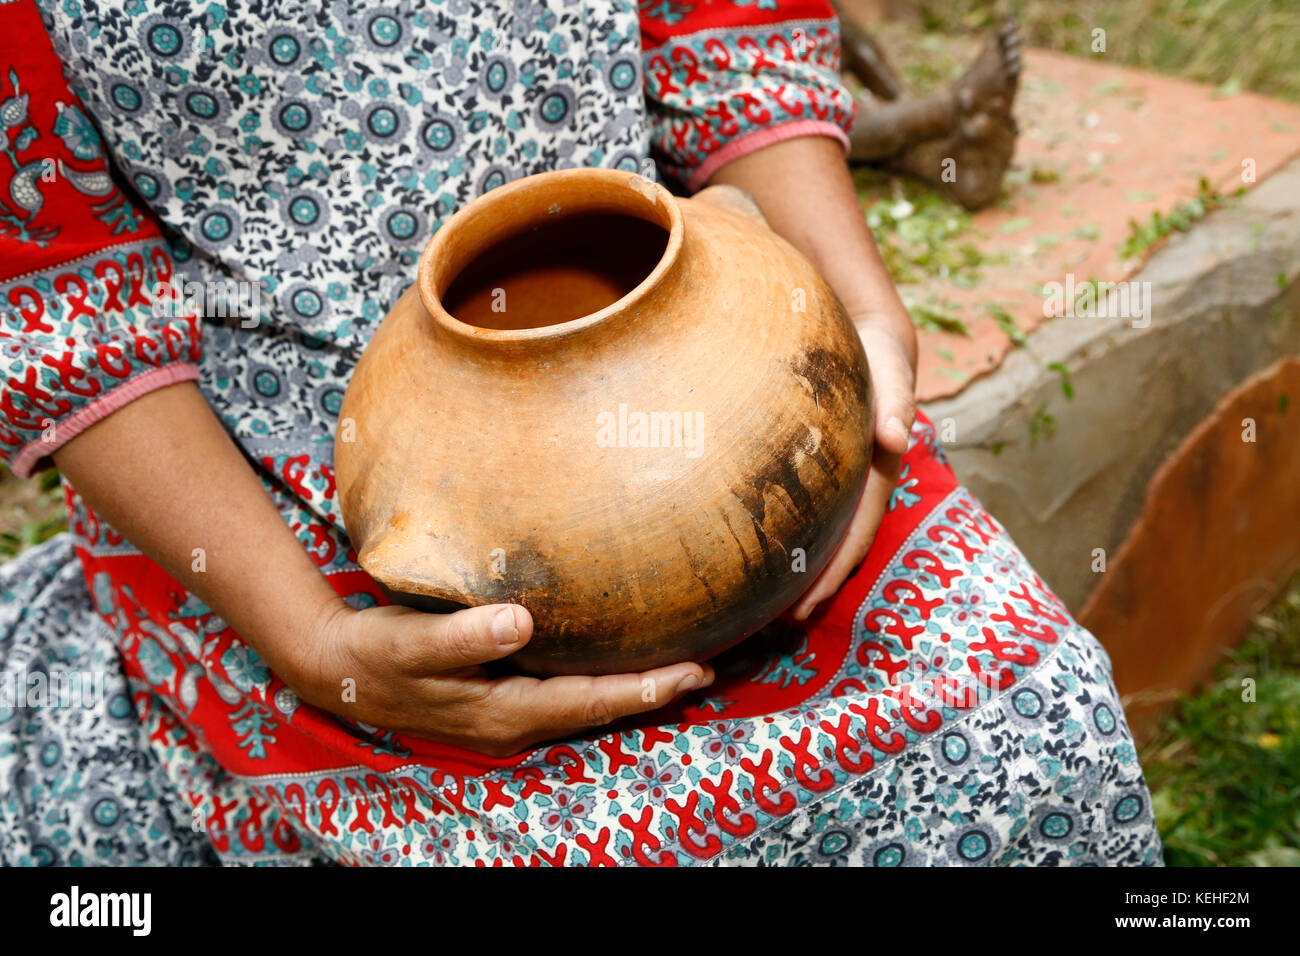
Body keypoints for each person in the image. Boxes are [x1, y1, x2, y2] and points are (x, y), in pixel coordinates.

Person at [0, 0, 1161, 866]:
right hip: (280, 500)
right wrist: (317, 647)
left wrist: (857, 324)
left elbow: (725, 34)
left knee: (1030, 711)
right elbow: (53, 297)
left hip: (717, 358)